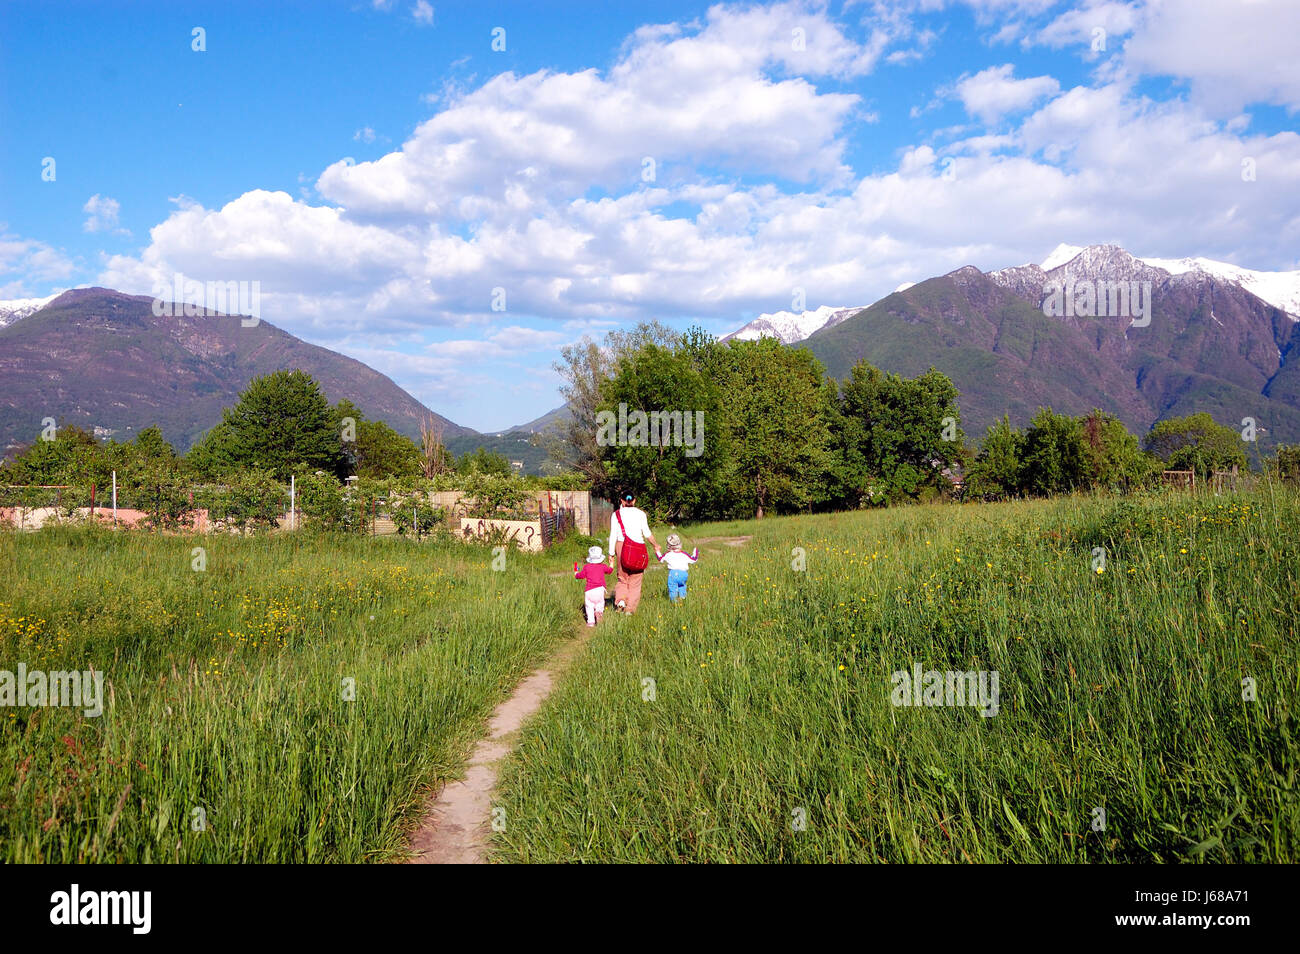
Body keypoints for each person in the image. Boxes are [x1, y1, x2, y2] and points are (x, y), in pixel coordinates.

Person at [609, 492, 658, 615]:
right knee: (635, 581)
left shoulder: (616, 515)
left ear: (621, 500)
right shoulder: (641, 514)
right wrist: (655, 545)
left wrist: (611, 554)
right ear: (634, 500)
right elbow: (647, 533)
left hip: (621, 546)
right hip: (638, 548)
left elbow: (613, 535)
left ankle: (620, 600)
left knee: (622, 578)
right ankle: (630, 610)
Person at [574, 545, 616, 627]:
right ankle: (599, 612)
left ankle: (590, 622)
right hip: (599, 590)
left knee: (589, 606)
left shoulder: (586, 567)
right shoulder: (603, 566)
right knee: (600, 603)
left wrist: (576, 573)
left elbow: (580, 576)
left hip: (589, 591)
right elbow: (610, 571)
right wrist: (611, 563)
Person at [656, 533, 698, 603]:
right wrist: (695, 551)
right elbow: (693, 560)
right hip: (684, 574)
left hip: (673, 574)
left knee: (672, 588)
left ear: (668, 546)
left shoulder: (668, 554)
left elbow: (660, 559)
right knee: (682, 586)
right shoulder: (684, 554)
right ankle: (683, 599)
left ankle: (674, 603)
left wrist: (657, 551)